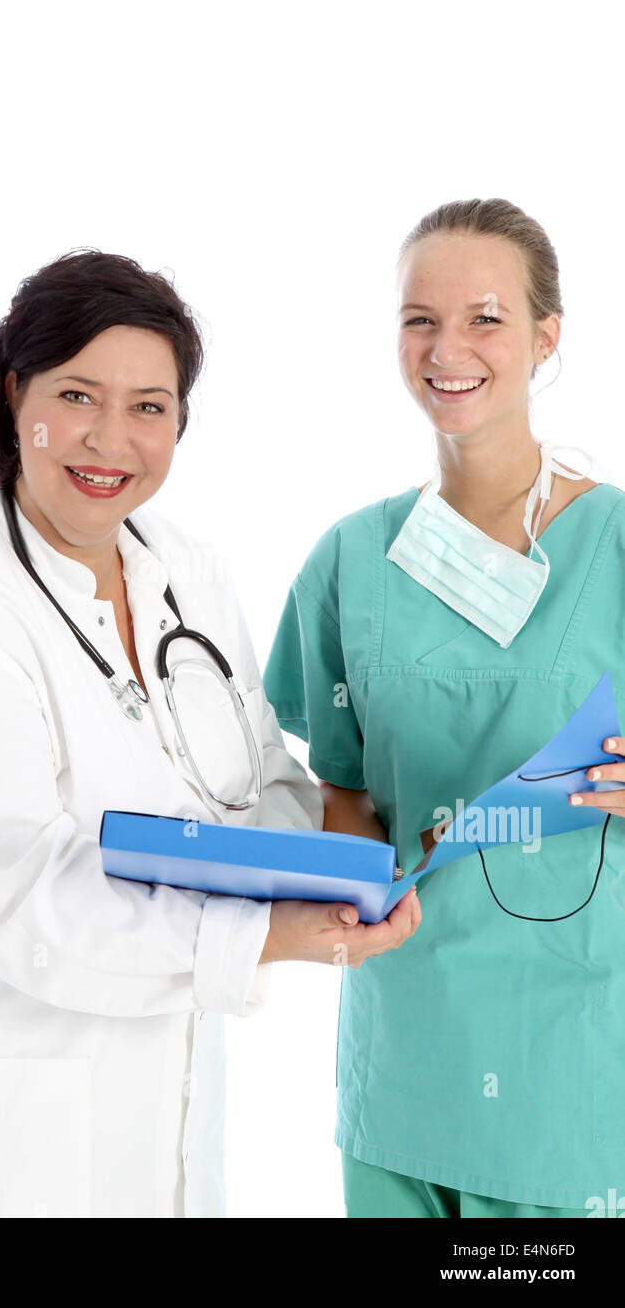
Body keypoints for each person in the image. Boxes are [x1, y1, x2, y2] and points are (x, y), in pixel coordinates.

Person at [0, 249, 420, 1220]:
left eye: (148, 406)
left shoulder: (185, 573)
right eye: (78, 395)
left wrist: (371, 841)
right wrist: (267, 935)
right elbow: (32, 902)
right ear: (15, 395)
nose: (111, 439)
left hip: (160, 1133)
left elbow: (254, 782)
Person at [263, 198, 625, 1218]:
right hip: (402, 1057)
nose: (446, 348)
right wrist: (350, 882)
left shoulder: (613, 545)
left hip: (574, 1065)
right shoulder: (350, 558)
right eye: (418, 319)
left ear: (545, 338)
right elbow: (341, 785)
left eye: (484, 319)